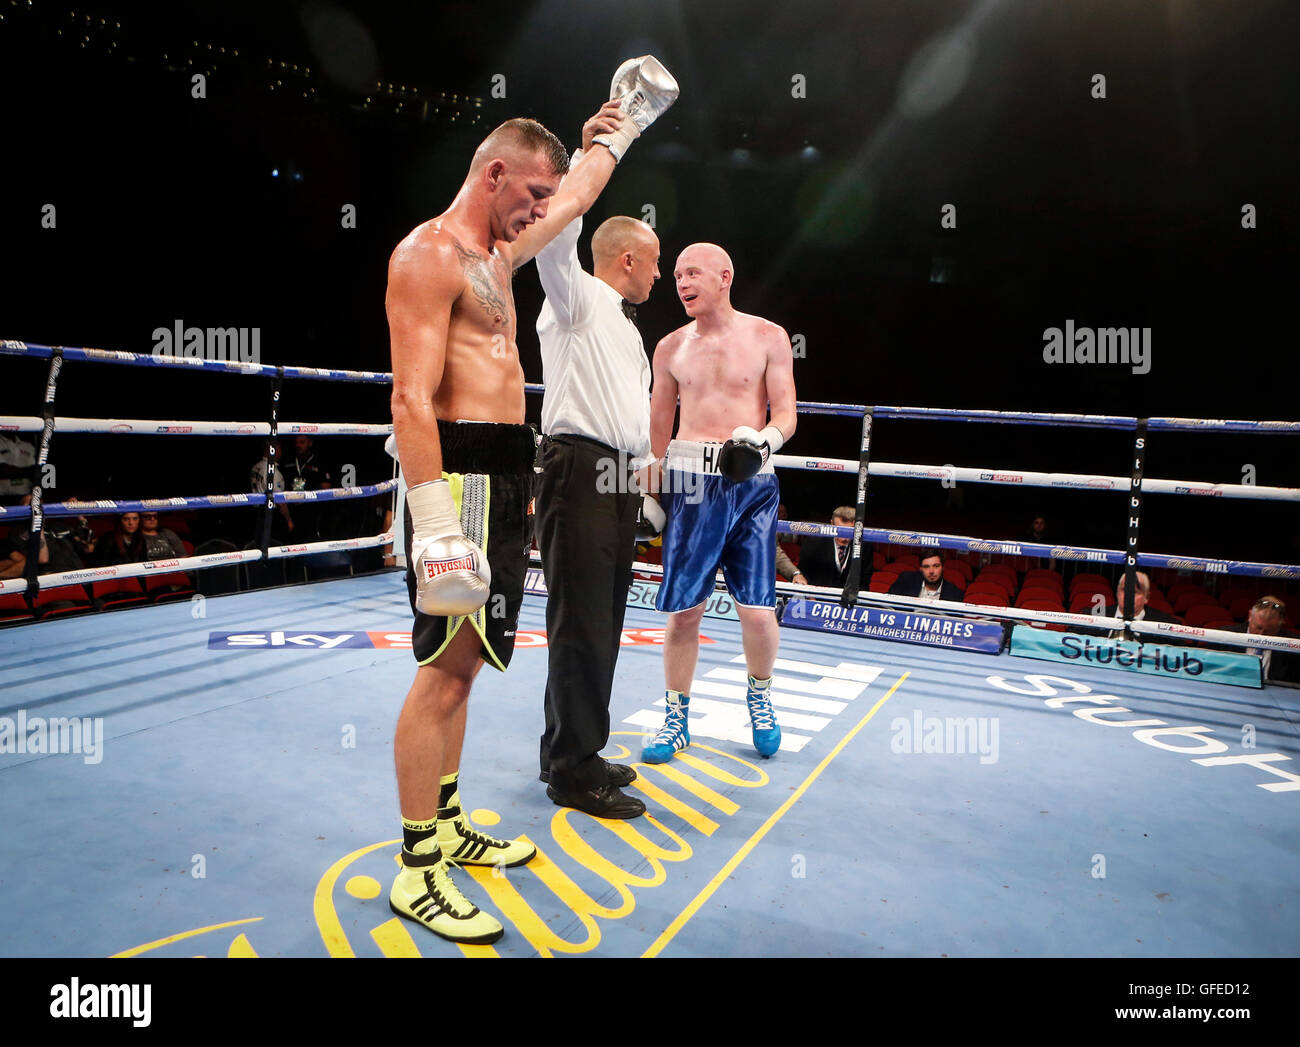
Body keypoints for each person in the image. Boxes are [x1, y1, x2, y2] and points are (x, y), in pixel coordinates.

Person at [384, 68, 674, 946]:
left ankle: (447, 821)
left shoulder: (499, 257)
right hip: (460, 476)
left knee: (468, 666)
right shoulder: (428, 255)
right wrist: (432, 520)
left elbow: (581, 190)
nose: (542, 210)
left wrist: (617, 134)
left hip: (510, 472)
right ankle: (416, 866)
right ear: (494, 175)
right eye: (533, 194)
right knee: (441, 672)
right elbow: (409, 399)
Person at [642, 242, 797, 764]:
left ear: (725, 276)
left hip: (752, 481)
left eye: (692, 273)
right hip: (689, 483)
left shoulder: (768, 336)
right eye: (677, 276)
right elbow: (658, 428)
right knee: (686, 612)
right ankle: (676, 718)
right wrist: (648, 493)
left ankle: (761, 700)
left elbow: (787, 414)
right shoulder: (669, 347)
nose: (681, 283)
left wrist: (761, 442)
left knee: (757, 610)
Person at [533, 209, 665, 820]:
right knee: (582, 620)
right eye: (656, 261)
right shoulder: (577, 297)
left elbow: (631, 424)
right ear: (628, 260)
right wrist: (595, 152)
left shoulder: (625, 328)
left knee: (601, 618)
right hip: (579, 466)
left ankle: (572, 747)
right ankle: (573, 771)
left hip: (615, 475)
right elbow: (556, 234)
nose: (661, 275)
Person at [1227, 597, 1298, 684]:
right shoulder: (1225, 637)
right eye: (1258, 628)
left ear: (1280, 625)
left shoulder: (1294, 647)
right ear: (1250, 616)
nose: (1261, 634)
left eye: (1268, 630)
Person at [794, 506, 861, 589]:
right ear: (832, 524)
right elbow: (804, 573)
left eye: (849, 531)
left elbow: (863, 580)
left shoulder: (863, 546)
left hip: (849, 598)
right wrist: (810, 596)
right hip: (817, 596)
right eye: (839, 530)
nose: (844, 538)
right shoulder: (813, 542)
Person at [889, 551, 964, 603]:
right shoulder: (906, 580)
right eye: (926, 567)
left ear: (943, 567)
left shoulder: (955, 594)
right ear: (920, 569)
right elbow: (887, 604)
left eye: (936, 566)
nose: (931, 571)